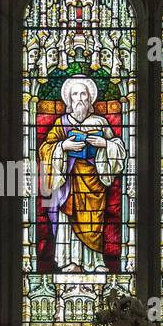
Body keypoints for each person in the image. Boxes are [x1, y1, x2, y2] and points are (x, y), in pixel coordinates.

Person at [38, 74, 127, 273]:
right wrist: (63, 145)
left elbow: (119, 148)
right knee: (68, 221)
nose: (79, 98)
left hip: (94, 181)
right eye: (75, 94)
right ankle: (71, 261)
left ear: (90, 99)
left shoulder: (101, 123)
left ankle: (94, 262)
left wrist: (104, 144)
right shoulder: (62, 123)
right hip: (69, 183)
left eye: (83, 94)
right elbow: (44, 149)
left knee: (93, 222)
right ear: (68, 100)